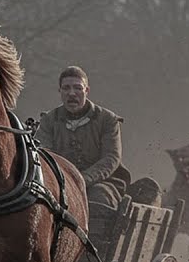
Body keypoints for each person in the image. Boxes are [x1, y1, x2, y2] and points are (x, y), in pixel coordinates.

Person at [34, 66, 129, 208]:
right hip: (59, 181)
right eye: (66, 88)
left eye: (78, 88)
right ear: (60, 91)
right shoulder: (49, 120)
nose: (72, 93)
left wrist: (82, 180)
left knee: (98, 198)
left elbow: (111, 158)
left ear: (87, 91)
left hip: (102, 183)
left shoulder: (107, 119)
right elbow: (43, 154)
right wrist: (60, 180)